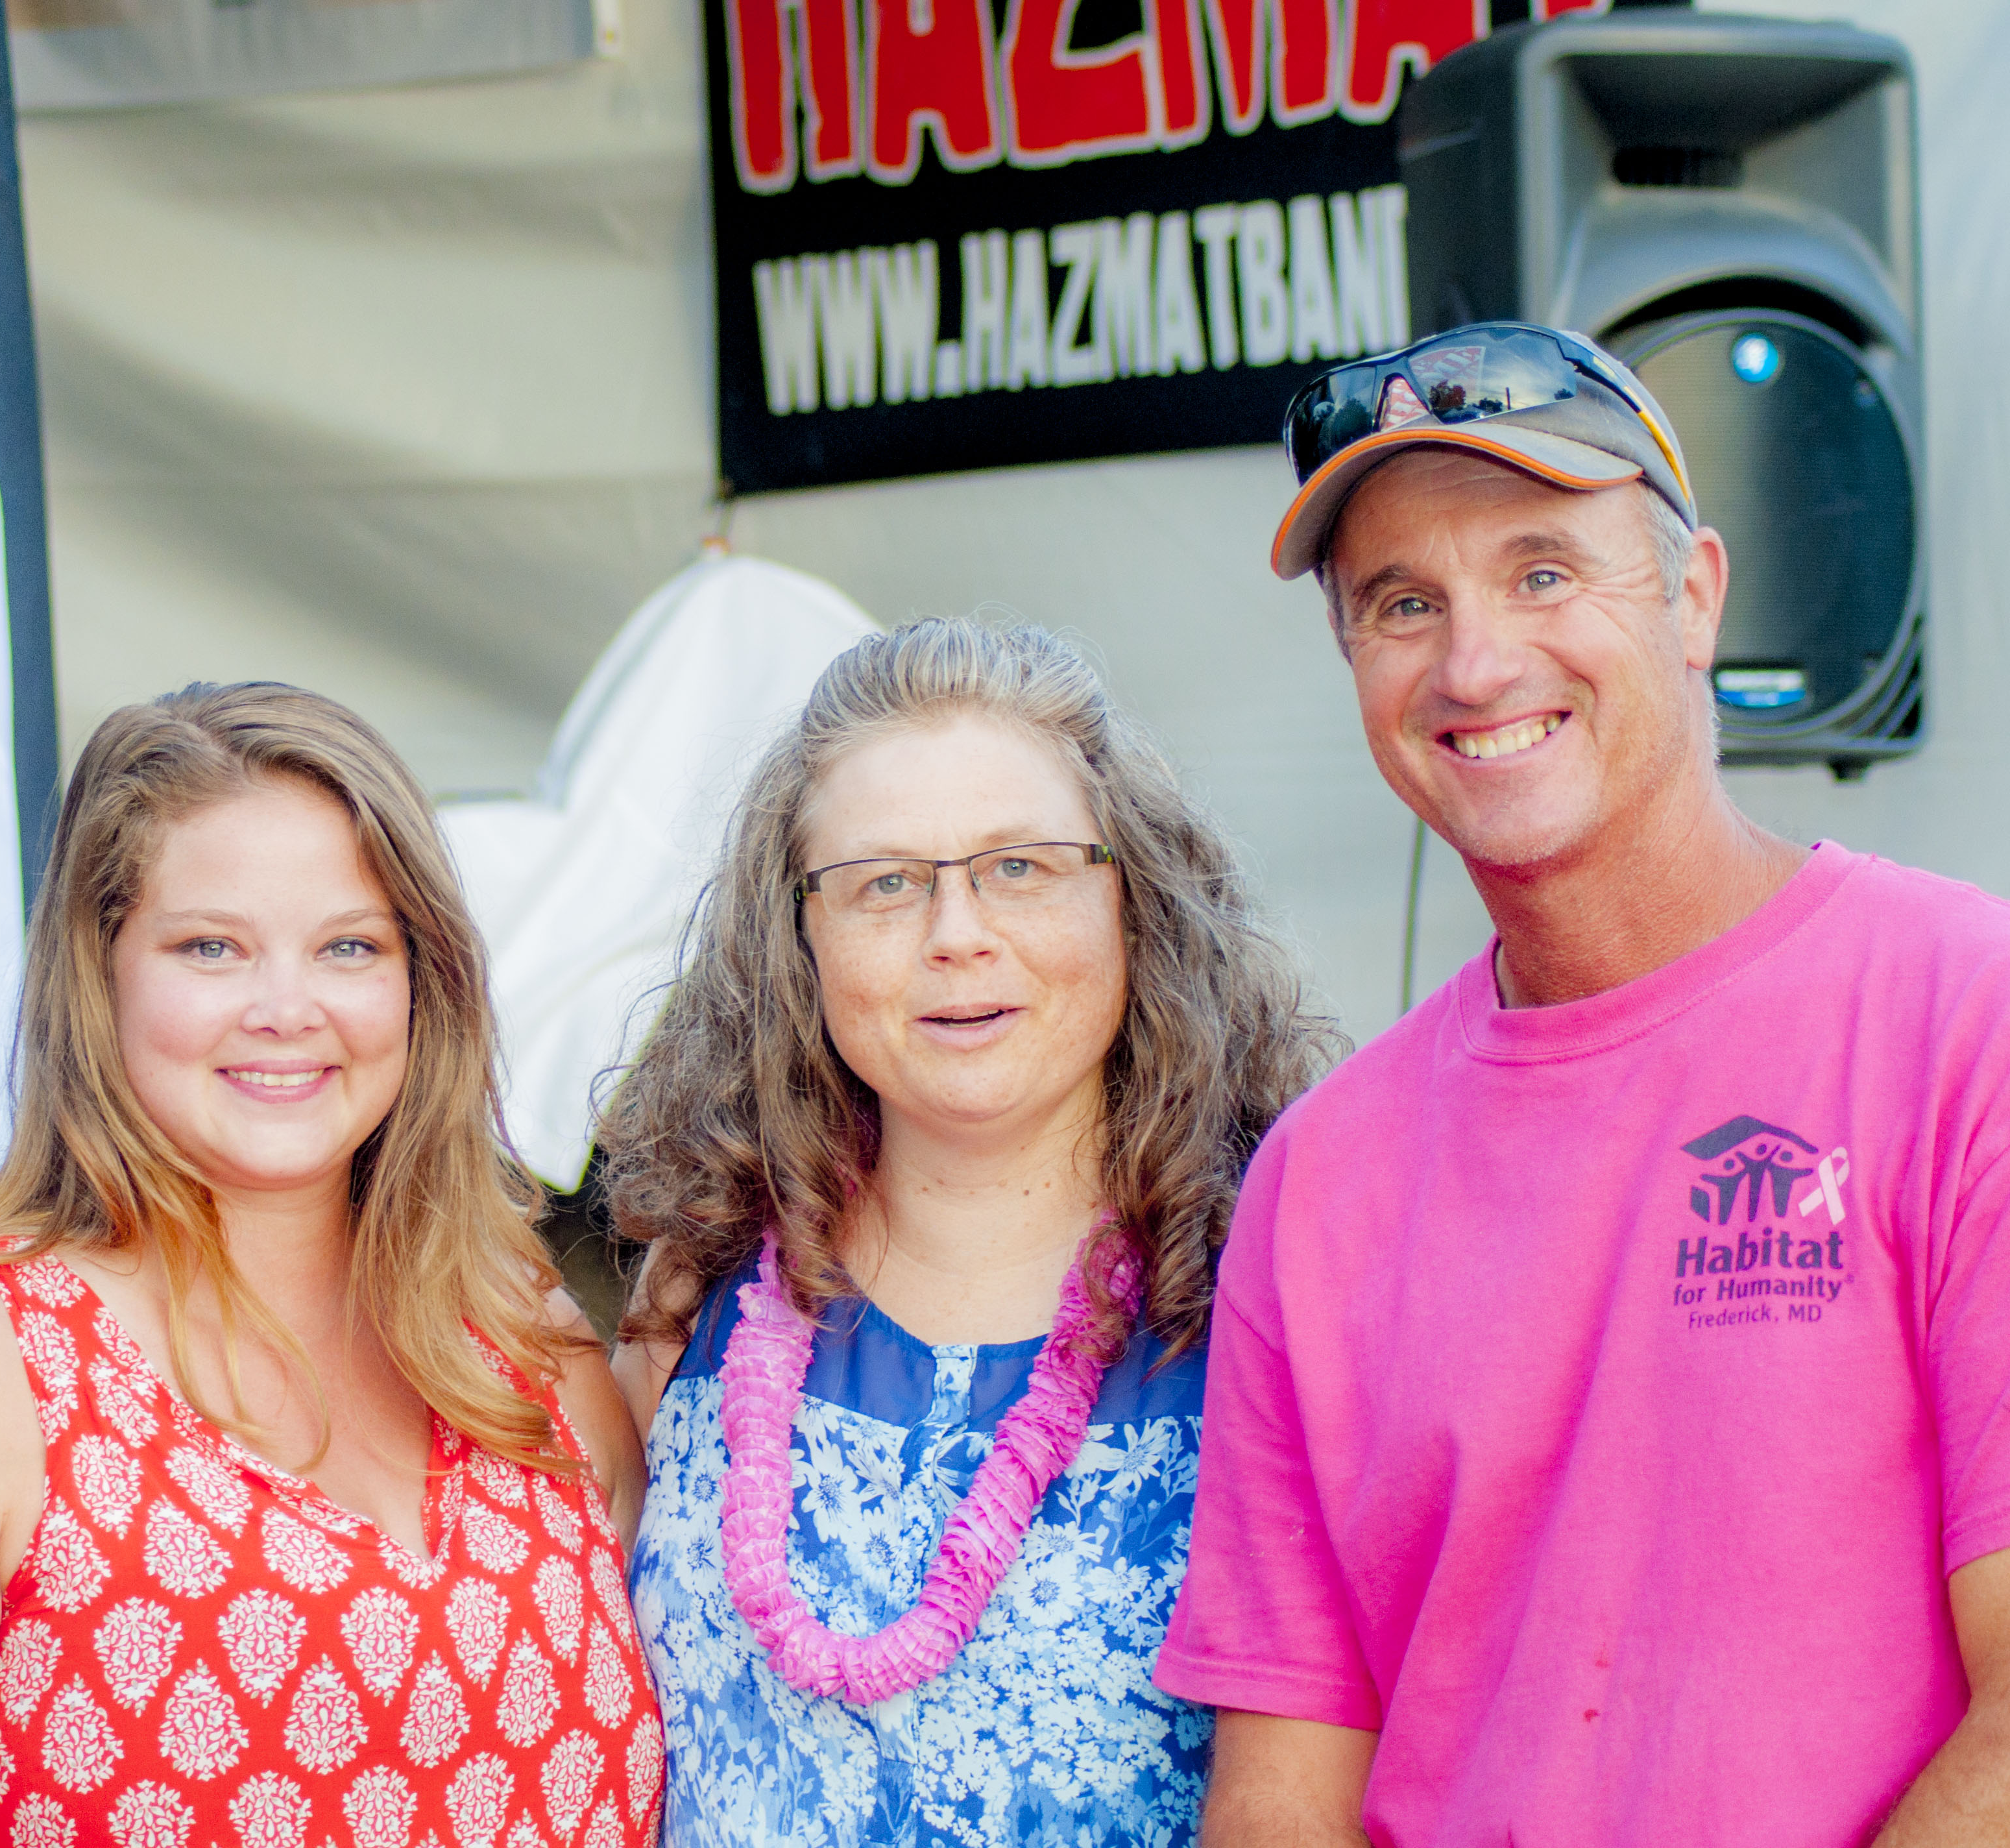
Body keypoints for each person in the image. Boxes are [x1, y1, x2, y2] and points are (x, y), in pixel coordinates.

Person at [1157, 322, 2010, 1845]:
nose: (1474, 661)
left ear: (1690, 599)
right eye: (1400, 602)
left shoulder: (1962, 1015)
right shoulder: (1319, 1176)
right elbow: (1281, 1799)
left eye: (1542, 570)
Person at [0, 682, 665, 1848]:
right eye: (211, 947)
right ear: (101, 975)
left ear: (419, 983)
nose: (287, 1009)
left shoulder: (518, 1329)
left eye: (349, 946)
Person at [599, 618, 1342, 1847]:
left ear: (1134, 898)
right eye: (885, 882)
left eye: (1021, 866)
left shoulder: (1266, 1284)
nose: (956, 933)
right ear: (800, 941)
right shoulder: (699, 1281)